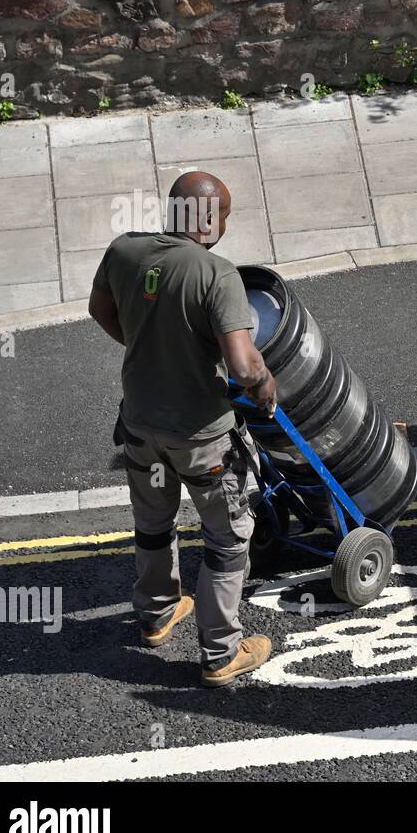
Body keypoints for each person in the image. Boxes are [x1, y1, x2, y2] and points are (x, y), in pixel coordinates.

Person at [88, 171, 276, 687]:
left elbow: (98, 309)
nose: (227, 225)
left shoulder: (124, 251)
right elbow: (242, 367)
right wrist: (263, 386)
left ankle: (156, 614)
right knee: (227, 539)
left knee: (154, 523)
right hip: (202, 438)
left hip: (139, 425)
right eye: (226, 215)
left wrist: (145, 346)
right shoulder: (217, 274)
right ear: (209, 218)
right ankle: (220, 653)